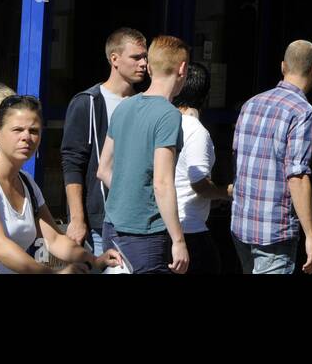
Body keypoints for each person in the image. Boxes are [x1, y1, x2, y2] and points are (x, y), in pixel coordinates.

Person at [0, 86, 122, 274]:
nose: (26, 137)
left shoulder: (27, 184)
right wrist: (54, 274)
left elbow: (54, 240)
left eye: (34, 131)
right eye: (17, 129)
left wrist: (94, 260)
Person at [97, 34, 190, 275]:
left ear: (148, 67)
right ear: (182, 68)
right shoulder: (169, 115)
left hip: (112, 226)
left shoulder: (124, 106)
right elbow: (162, 183)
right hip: (146, 234)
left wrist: (128, 195)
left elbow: (103, 169)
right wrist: (179, 241)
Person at [231, 40, 312, 275]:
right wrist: (311, 236)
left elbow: (237, 159)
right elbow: (297, 176)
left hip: (242, 225)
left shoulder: (251, 104)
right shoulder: (303, 112)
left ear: (283, 67)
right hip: (274, 231)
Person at [61, 26, 148, 257]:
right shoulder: (88, 102)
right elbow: (72, 163)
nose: (143, 64)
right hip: (100, 221)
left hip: (138, 219)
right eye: (136, 57)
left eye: (145, 57)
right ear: (115, 59)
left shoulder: (144, 103)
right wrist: (77, 219)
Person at [172, 61, 230, 276]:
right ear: (205, 95)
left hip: (166, 225)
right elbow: (200, 185)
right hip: (190, 229)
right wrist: (228, 192)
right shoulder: (196, 131)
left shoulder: (163, 121)